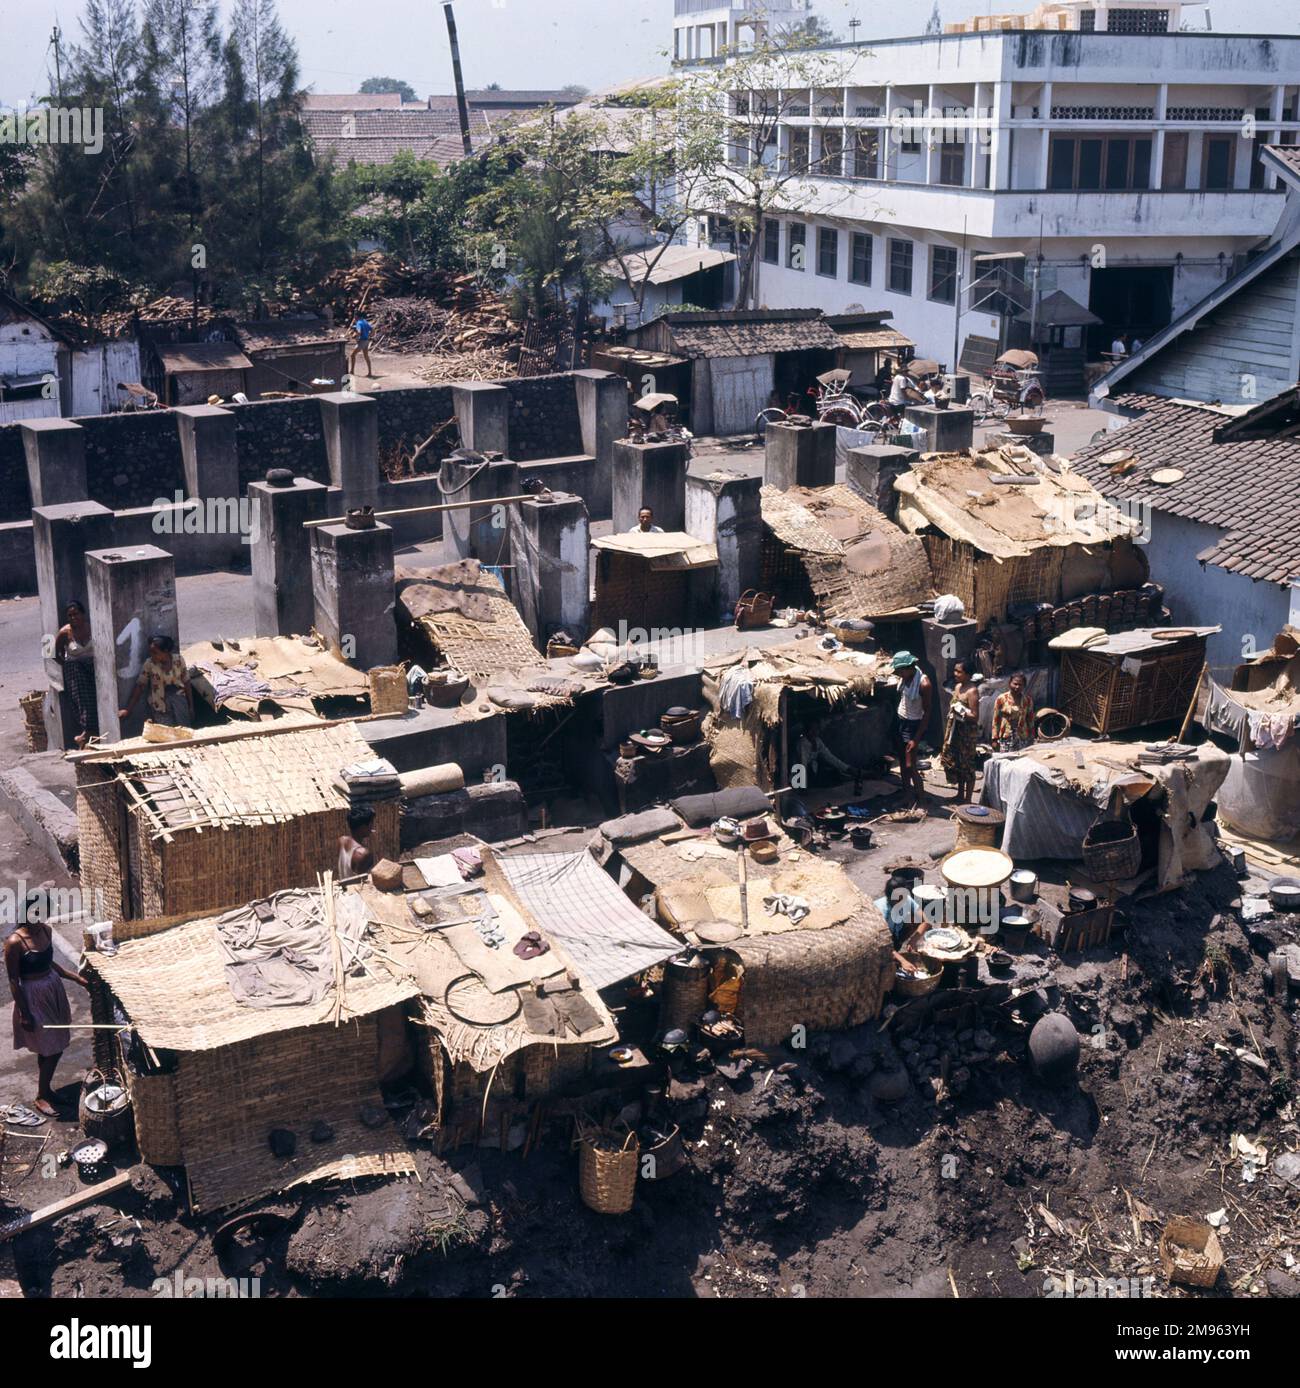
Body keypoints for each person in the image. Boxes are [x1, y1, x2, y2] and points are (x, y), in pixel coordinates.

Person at [6, 915, 89, 1118]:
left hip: (53, 990)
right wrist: (25, 1014)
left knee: (50, 1047)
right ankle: (41, 1095)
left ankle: (46, 1090)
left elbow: (48, 962)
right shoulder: (15, 942)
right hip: (33, 997)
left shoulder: (45, 930)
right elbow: (13, 981)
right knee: (52, 1048)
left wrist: (75, 977)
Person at [119, 634, 194, 729]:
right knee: (167, 735)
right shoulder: (149, 664)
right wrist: (128, 709)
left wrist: (191, 706)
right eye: (151, 652)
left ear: (165, 652)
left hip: (179, 703)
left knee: (185, 731)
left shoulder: (178, 660)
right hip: (159, 706)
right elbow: (140, 686)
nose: (152, 655)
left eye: (155, 652)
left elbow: (186, 682)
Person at [54, 600, 97, 747]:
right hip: (75, 672)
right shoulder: (65, 632)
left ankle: (89, 736)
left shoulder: (93, 627)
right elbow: (54, 653)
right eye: (70, 615)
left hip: (93, 669)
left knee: (97, 701)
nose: (73, 618)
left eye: (76, 614)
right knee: (84, 704)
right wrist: (66, 665)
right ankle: (86, 734)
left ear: (83, 613)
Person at [892, 650, 932, 806]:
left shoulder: (924, 684)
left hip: (914, 724)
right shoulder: (905, 679)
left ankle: (921, 800)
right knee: (902, 761)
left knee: (911, 765)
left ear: (909, 668)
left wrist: (916, 739)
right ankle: (907, 795)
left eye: (901, 670)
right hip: (901, 719)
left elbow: (927, 712)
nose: (899, 674)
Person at [940, 660, 981, 804]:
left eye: (959, 672)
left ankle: (968, 800)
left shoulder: (972, 691)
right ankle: (959, 795)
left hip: (967, 734)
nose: (955, 674)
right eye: (955, 671)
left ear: (968, 674)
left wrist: (961, 711)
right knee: (957, 763)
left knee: (967, 765)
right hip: (955, 730)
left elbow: (975, 716)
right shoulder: (957, 687)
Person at [873, 872, 924, 974]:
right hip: (880, 942)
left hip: (896, 933)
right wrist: (902, 960)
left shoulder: (906, 899)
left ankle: (898, 945)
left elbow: (926, 920)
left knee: (915, 918)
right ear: (889, 896)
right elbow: (881, 944)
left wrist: (914, 939)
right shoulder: (881, 910)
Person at [991, 671, 1036, 753]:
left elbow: (1030, 720)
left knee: (1021, 761)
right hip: (1006, 737)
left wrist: (1032, 737)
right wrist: (994, 739)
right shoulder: (1001, 699)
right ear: (1009, 683)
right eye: (1015, 684)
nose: (1017, 687)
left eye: (1020, 685)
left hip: (1022, 737)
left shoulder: (1027, 700)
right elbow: (996, 720)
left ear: (1024, 686)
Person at [338, 805, 376, 879]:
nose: (372, 827)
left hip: (344, 887)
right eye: (371, 824)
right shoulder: (363, 854)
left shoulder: (341, 840)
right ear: (363, 827)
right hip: (355, 890)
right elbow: (364, 881)